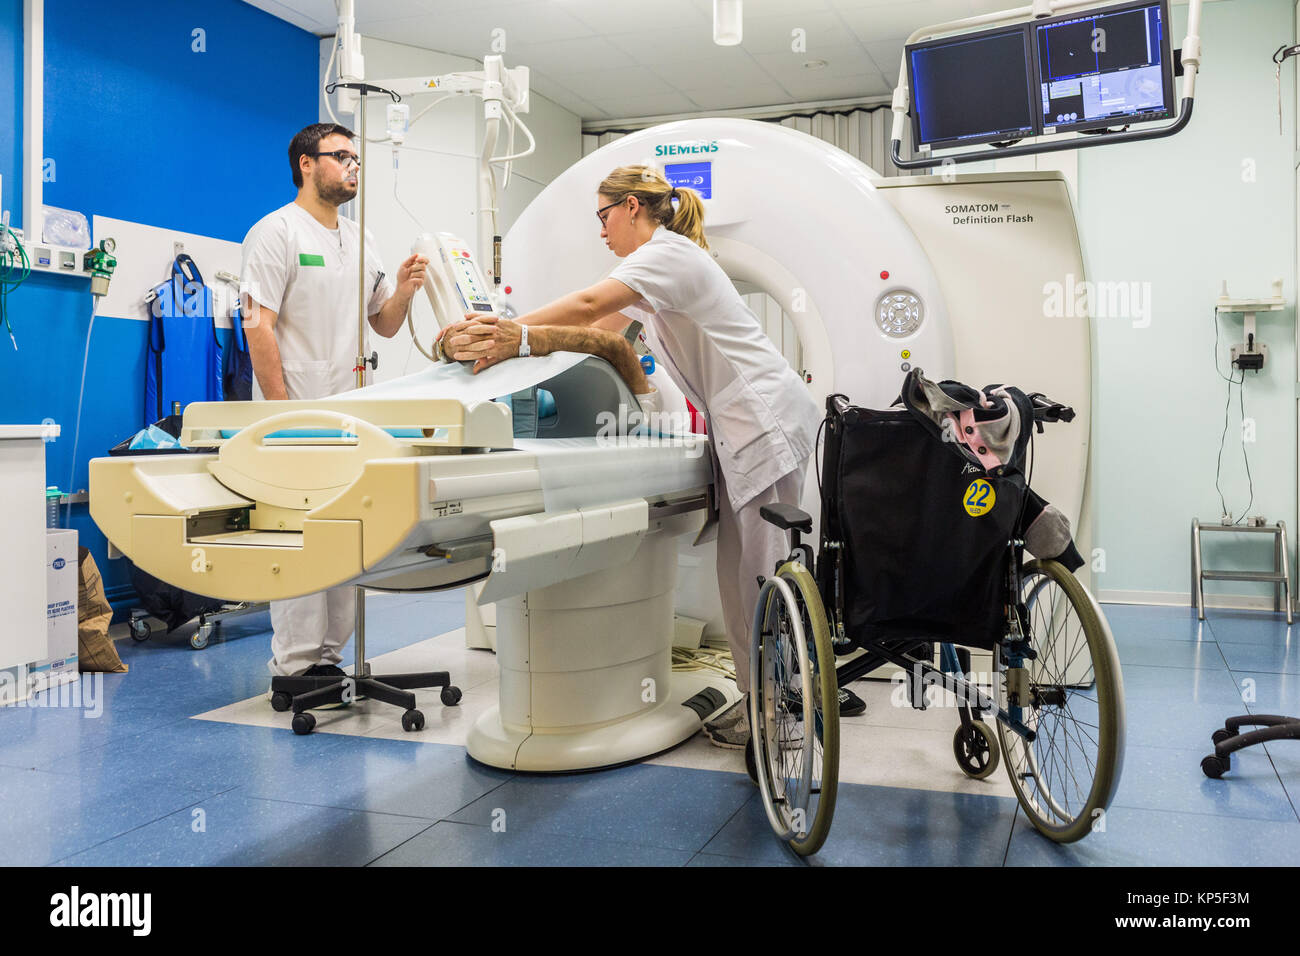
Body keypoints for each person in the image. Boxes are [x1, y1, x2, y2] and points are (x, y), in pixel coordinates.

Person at [438, 165, 864, 750]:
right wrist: (512, 350)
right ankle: (763, 698)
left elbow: (588, 304)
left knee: (759, 575)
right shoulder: (653, 274)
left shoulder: (670, 256)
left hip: (761, 423)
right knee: (740, 574)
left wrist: (507, 328)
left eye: (603, 216)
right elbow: (600, 333)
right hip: (741, 428)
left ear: (632, 205)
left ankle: (783, 708)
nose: (602, 231)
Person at [240, 122, 429, 682]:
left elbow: (383, 325)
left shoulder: (361, 237)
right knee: (300, 533)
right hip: (294, 410)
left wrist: (405, 289)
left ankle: (328, 658)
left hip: (353, 413)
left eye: (356, 158)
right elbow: (258, 326)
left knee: (346, 531)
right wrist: (278, 413)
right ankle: (295, 666)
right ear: (306, 163)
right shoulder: (275, 233)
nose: (353, 167)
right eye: (341, 156)